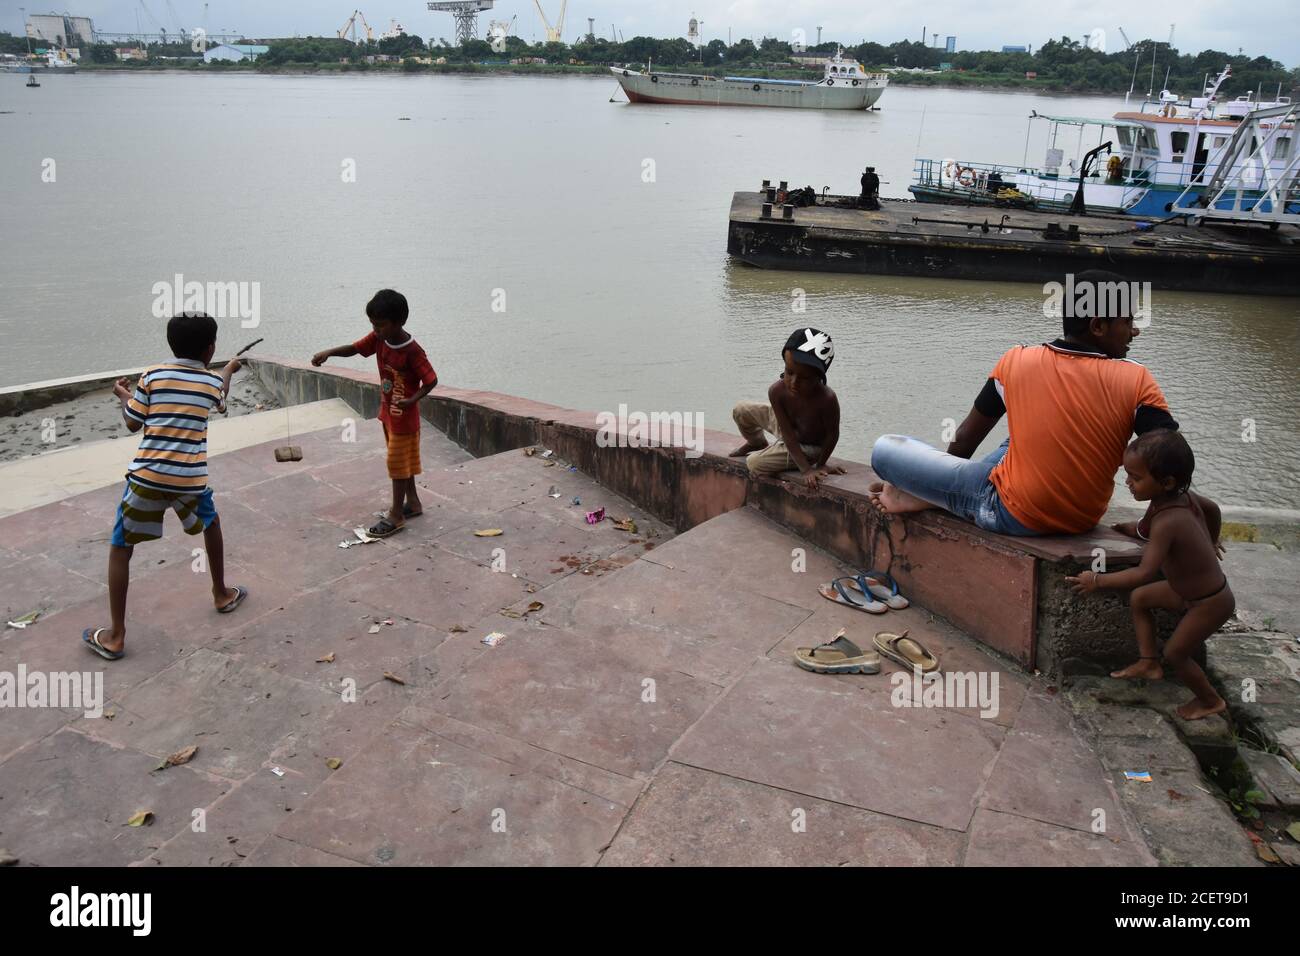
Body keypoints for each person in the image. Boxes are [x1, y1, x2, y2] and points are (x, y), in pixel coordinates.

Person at [870, 270, 1177, 535]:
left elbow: (964, 439)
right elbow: (1170, 459)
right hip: (1082, 518)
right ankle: (937, 493)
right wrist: (1149, 524)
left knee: (885, 449)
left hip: (1010, 514)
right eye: (1129, 321)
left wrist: (937, 485)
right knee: (1019, 436)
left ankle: (927, 495)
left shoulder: (1017, 361)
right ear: (1098, 326)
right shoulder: (1137, 379)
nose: (1135, 331)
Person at [82, 312, 246, 661]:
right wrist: (228, 371)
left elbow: (132, 423)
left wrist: (123, 395)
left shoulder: (152, 376)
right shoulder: (212, 382)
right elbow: (221, 398)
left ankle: (115, 636)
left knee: (121, 547)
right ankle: (221, 594)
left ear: (171, 344)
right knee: (211, 524)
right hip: (190, 479)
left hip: (148, 477)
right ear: (210, 348)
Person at [1065, 430, 1231, 720]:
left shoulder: (1169, 521)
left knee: (1177, 654)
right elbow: (1212, 510)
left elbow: (1143, 572)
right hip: (1185, 591)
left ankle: (1210, 700)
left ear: (1166, 482)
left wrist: (1097, 580)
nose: (1127, 482)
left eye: (1136, 478)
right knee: (1140, 599)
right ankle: (1148, 662)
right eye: (1127, 474)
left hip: (1210, 602)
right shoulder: (1181, 498)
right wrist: (1211, 539)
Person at [312, 289, 437, 538]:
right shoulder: (380, 338)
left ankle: (396, 516)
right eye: (373, 324)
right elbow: (355, 349)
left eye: (380, 325)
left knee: (396, 465)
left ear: (399, 322)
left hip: (405, 419)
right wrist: (328, 352)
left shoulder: (413, 351)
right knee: (404, 463)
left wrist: (412, 400)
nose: (376, 329)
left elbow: (431, 381)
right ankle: (412, 503)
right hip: (388, 414)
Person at [730, 327, 845, 490]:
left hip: (809, 447)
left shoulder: (827, 399)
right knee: (740, 409)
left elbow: (832, 435)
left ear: (819, 377)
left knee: (753, 463)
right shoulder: (777, 391)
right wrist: (804, 469)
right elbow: (787, 433)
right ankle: (756, 442)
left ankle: (780, 453)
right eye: (789, 372)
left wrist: (816, 466)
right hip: (789, 430)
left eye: (804, 377)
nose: (794, 382)